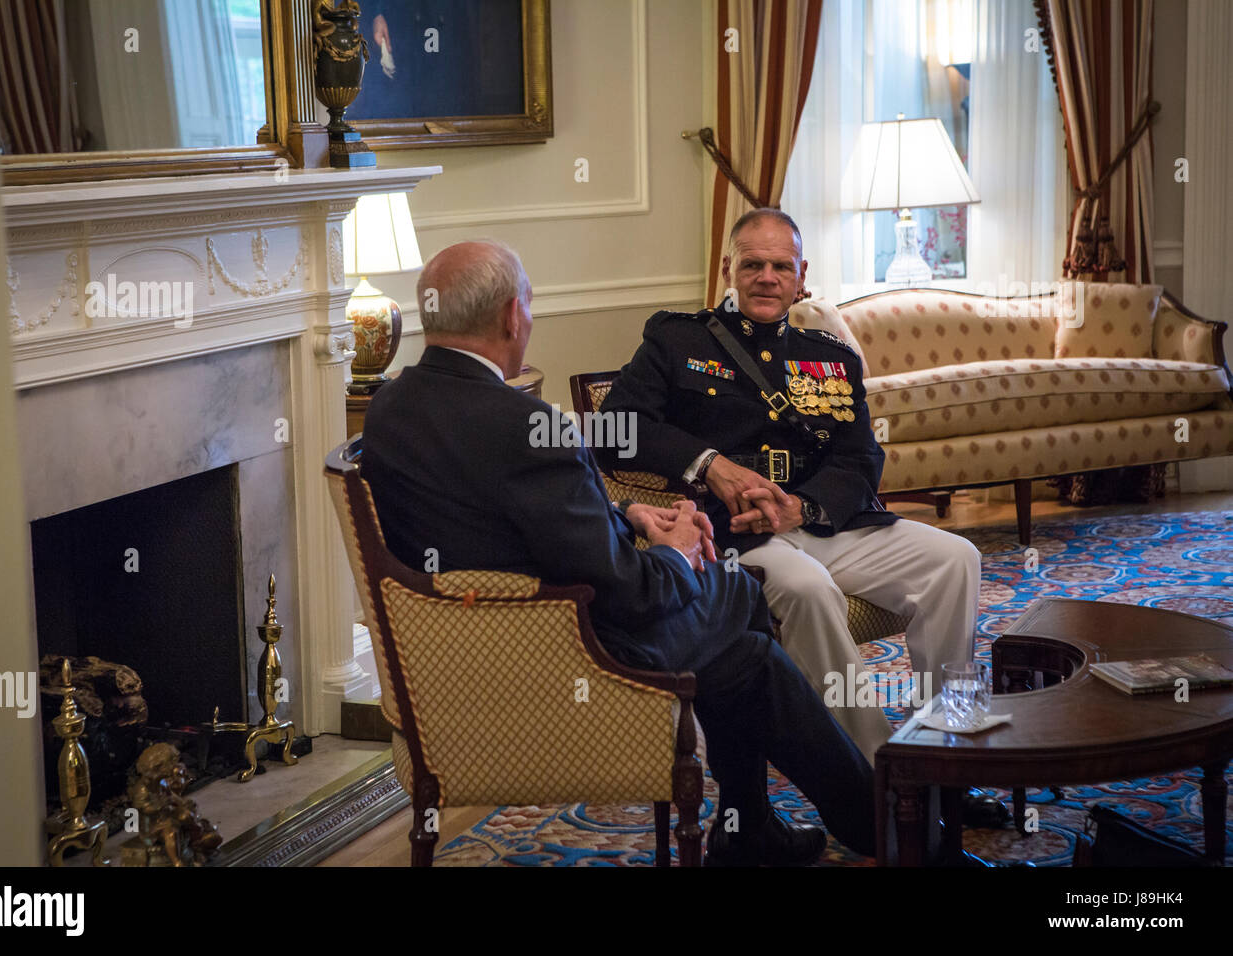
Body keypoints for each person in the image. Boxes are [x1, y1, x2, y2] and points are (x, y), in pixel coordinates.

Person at [359, 239, 879, 864]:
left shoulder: (389, 406)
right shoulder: (525, 426)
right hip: (568, 651)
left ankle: (754, 828)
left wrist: (624, 513)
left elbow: (490, 516)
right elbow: (630, 592)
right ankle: (860, 827)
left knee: (744, 656)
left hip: (461, 653)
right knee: (739, 600)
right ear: (509, 317)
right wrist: (681, 550)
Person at [598, 209, 985, 782]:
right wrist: (710, 465)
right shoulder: (676, 339)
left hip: (825, 522)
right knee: (809, 589)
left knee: (957, 560)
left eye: (782, 266)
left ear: (802, 275)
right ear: (729, 268)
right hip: (733, 531)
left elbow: (860, 458)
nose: (767, 277)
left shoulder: (831, 357)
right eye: (752, 264)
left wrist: (804, 506)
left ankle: (946, 749)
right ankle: (879, 770)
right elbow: (617, 427)